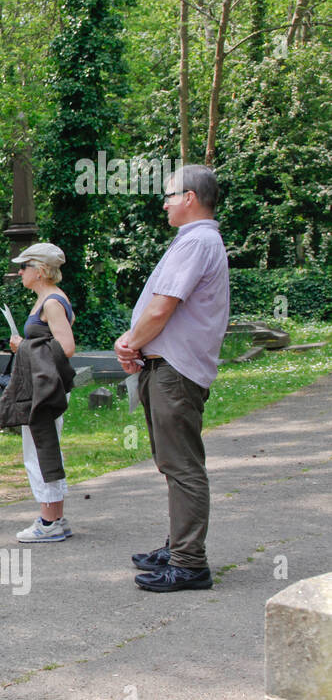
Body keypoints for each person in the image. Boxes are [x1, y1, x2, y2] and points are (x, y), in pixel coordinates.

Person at [115, 165, 229, 592]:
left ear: (191, 199)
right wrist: (138, 345)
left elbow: (163, 307)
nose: (164, 202)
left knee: (182, 466)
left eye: (170, 195)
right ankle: (178, 545)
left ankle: (189, 562)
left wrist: (130, 343)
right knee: (172, 463)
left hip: (175, 372)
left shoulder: (198, 240)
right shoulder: (194, 240)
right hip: (164, 367)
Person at [5, 243, 77, 542]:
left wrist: (22, 346)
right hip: (42, 384)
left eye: (24, 266)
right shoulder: (45, 299)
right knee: (44, 448)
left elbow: (67, 348)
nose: (19, 271)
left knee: (40, 450)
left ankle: (48, 523)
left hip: (47, 387)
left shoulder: (52, 302)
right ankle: (55, 517)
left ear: (40, 270)